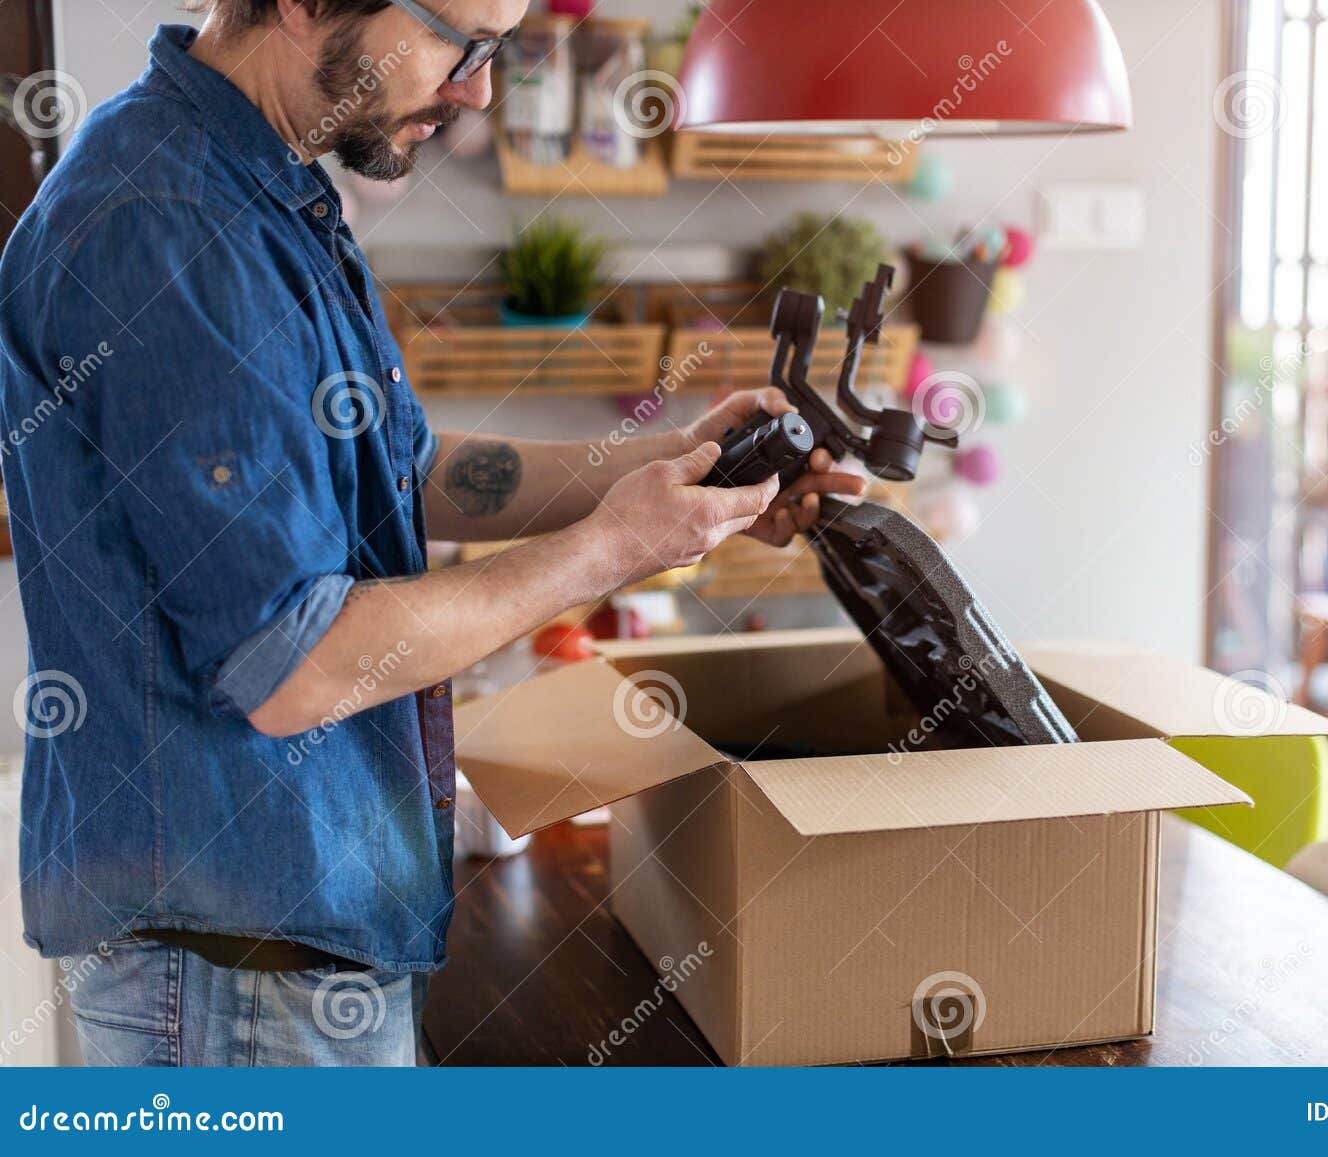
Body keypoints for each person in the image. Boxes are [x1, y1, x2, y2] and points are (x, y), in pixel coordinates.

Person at [0, 0, 863, 1066]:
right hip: (234, 976)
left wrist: (656, 466)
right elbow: (298, 663)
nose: (478, 90)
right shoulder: (164, 223)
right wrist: (615, 549)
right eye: (465, 41)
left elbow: (395, 468)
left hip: (280, 946)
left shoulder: (260, 189)